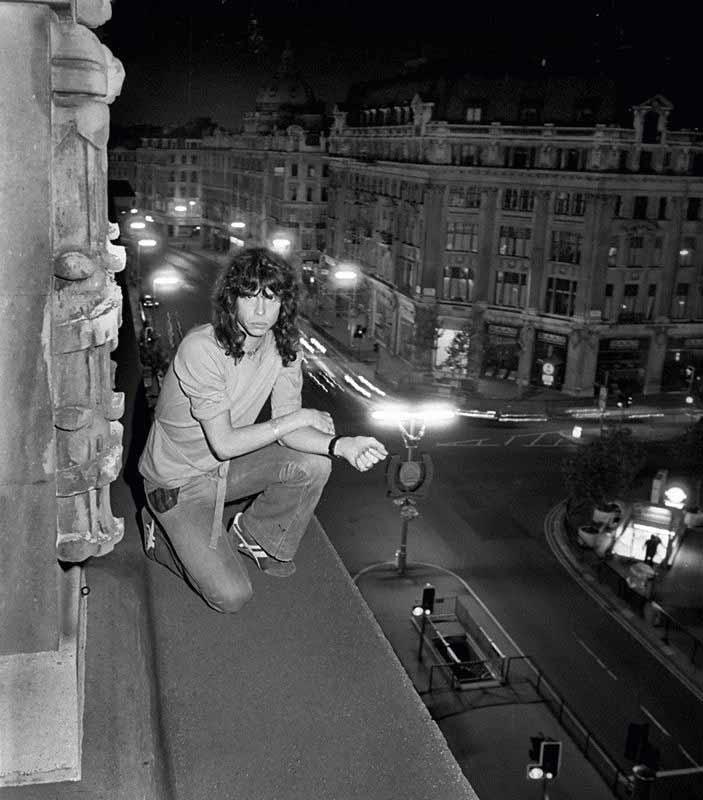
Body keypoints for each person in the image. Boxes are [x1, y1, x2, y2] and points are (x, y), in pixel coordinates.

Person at [138, 247, 388, 612]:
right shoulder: (202, 349)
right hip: (178, 483)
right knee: (231, 597)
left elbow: (289, 432)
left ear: (283, 304)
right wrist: (299, 418)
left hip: (227, 471)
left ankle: (255, 536)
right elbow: (224, 443)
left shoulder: (283, 347)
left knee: (315, 463)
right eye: (249, 296)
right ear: (231, 300)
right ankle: (158, 533)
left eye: (270, 299)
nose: (259, 311)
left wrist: (341, 444)